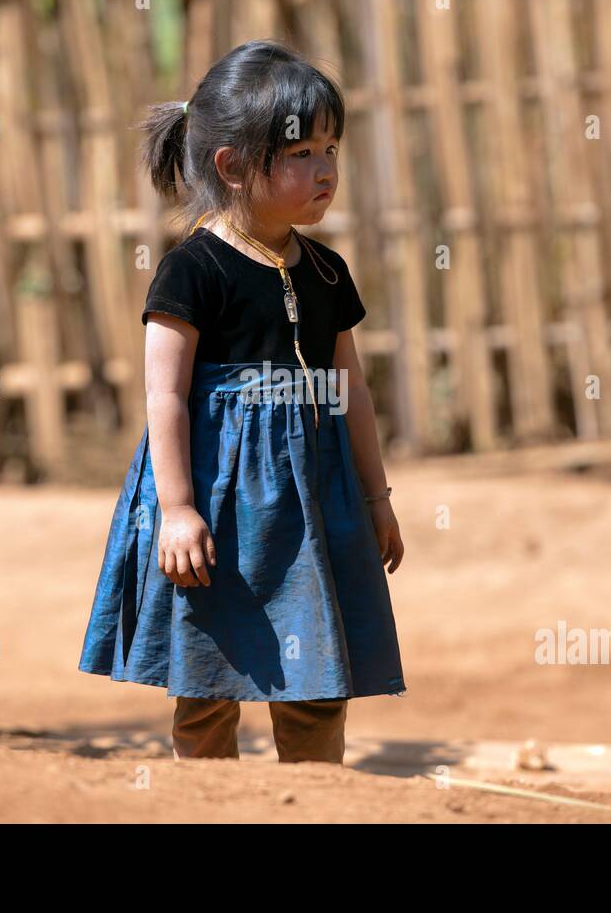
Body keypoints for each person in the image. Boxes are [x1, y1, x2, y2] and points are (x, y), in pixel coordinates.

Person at [79, 39, 406, 765]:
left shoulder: (325, 271)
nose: (324, 169)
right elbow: (164, 396)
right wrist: (176, 509)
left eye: (331, 149)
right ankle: (209, 801)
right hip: (218, 504)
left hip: (313, 504)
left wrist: (378, 498)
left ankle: (312, 801)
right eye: (301, 153)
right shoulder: (192, 270)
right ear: (231, 165)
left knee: (321, 670)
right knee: (206, 672)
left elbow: (350, 389)